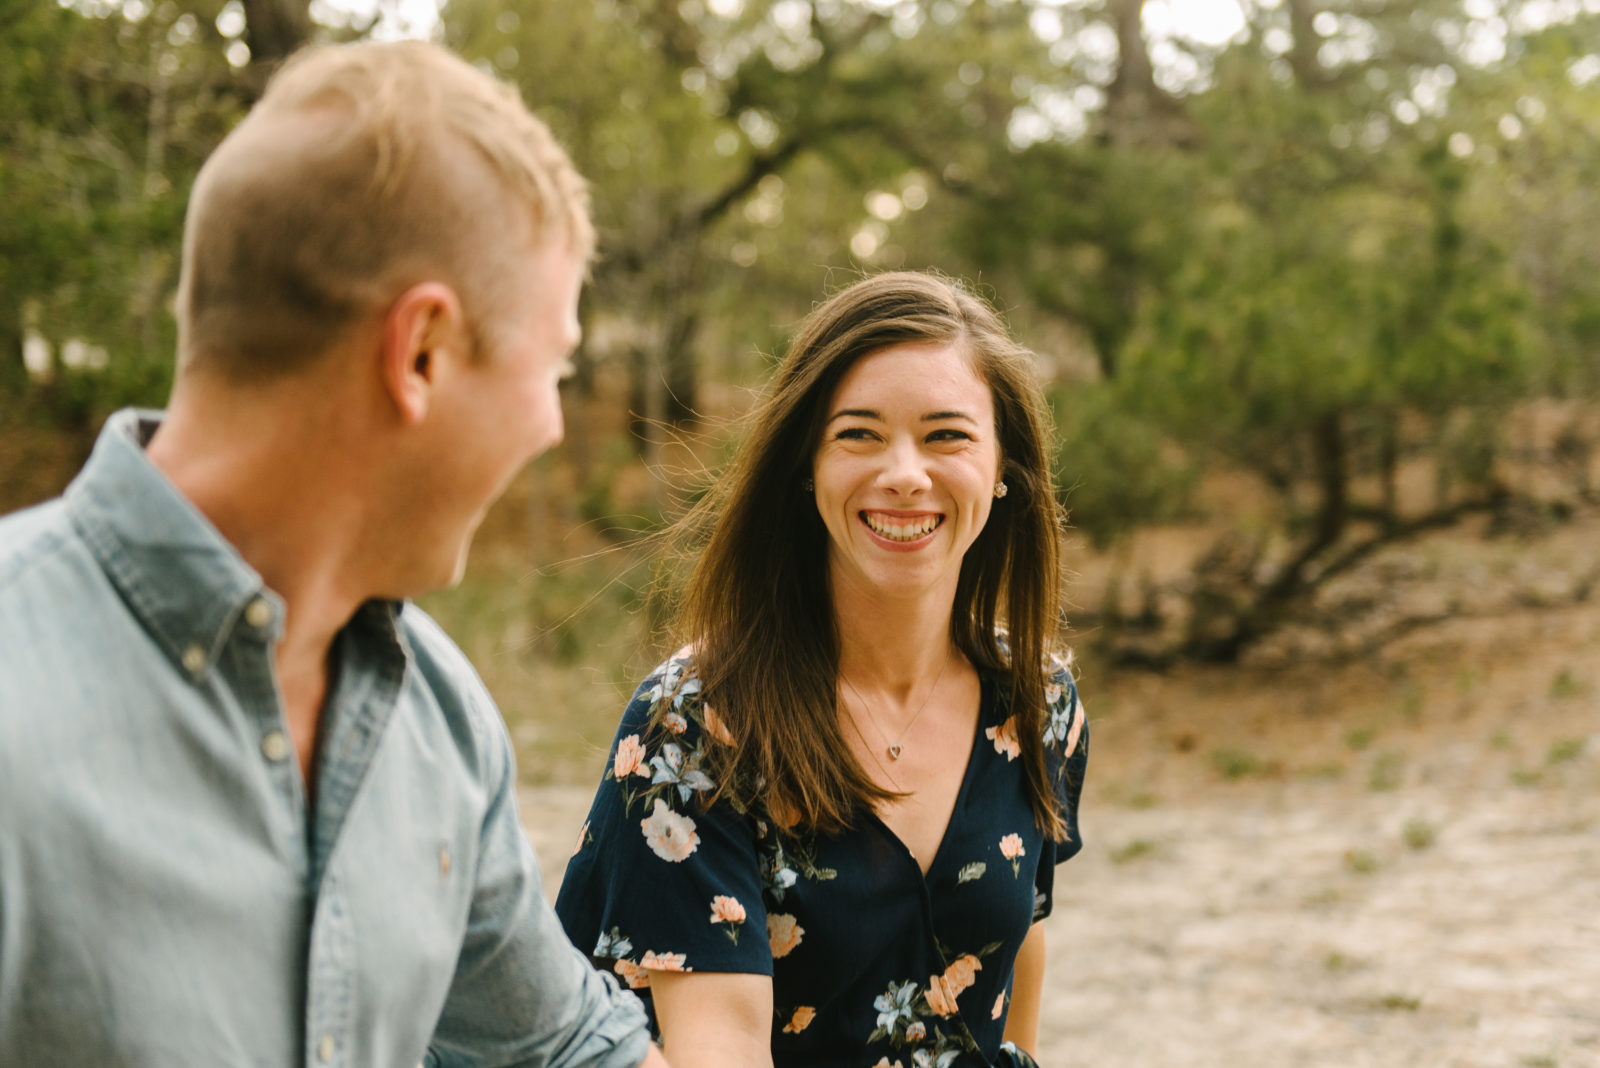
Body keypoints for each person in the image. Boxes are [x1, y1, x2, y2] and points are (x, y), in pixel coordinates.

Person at [0, 40, 668, 1068]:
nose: (550, 425)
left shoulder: (438, 717)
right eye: (555, 366)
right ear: (420, 354)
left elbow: (565, 1045)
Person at [555, 271, 1090, 1068]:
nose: (905, 473)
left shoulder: (1038, 702)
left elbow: (1018, 953)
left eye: (947, 435)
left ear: (1004, 465)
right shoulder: (696, 726)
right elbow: (720, 1052)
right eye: (860, 435)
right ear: (807, 466)